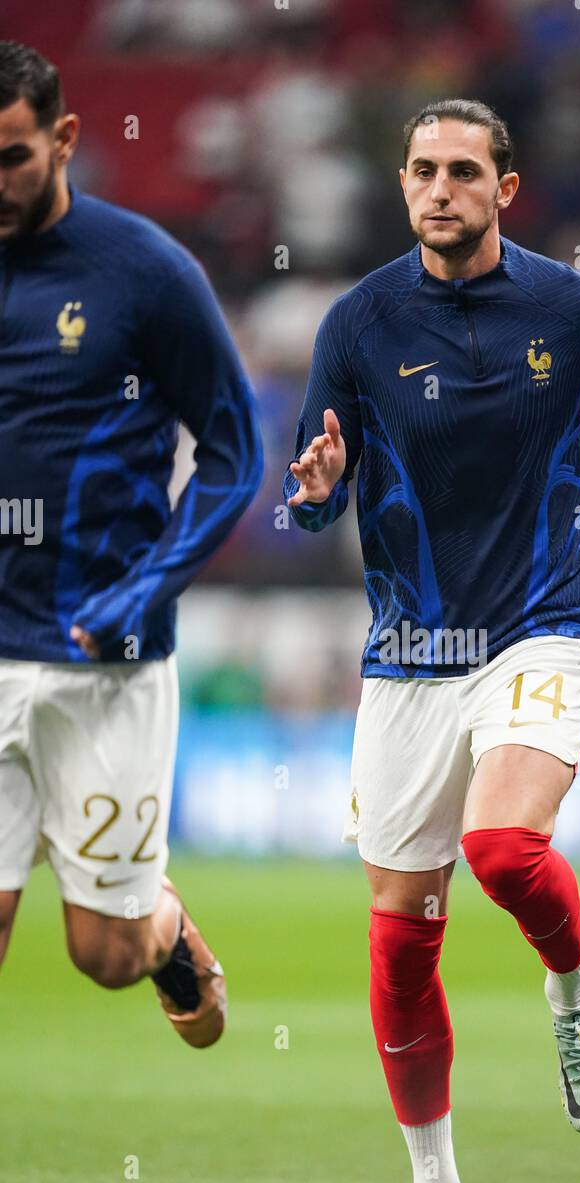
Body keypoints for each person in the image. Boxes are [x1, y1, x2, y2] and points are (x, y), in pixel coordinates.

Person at [284, 98, 580, 1183]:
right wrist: (317, 492)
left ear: (505, 188)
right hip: (409, 649)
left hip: (543, 616)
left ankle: (573, 986)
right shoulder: (358, 321)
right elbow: (311, 489)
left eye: (463, 171)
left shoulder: (568, 302)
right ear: (402, 184)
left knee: (502, 846)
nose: (438, 189)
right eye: (422, 170)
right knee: (398, 945)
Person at [0, 43, 263, 1046]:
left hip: (99, 656)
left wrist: (148, 588)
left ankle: (159, 931)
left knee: (101, 955)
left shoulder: (146, 272)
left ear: (64, 139)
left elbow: (236, 454)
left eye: (12, 158)